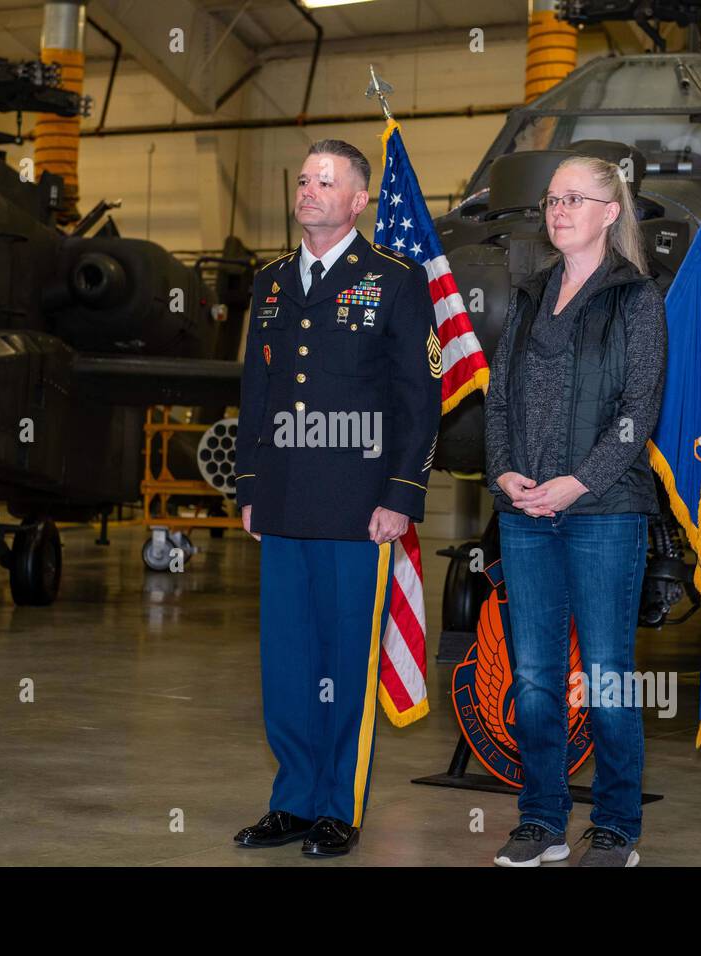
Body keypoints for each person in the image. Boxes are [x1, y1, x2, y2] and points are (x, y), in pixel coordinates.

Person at [231, 139, 442, 857]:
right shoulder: (270, 280)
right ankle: (292, 801)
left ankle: (336, 807)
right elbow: (257, 390)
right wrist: (250, 486)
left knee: (346, 659)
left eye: (326, 182)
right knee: (287, 661)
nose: (308, 191)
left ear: (358, 201)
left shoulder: (394, 279)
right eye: (303, 180)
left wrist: (402, 495)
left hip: (359, 507)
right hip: (283, 500)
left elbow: (419, 398)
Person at [484, 155, 667, 867]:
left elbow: (638, 411)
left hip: (605, 513)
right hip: (524, 510)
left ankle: (617, 826)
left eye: (574, 199)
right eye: (552, 200)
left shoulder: (637, 299)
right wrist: (504, 471)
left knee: (607, 672)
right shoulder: (530, 295)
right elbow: (499, 400)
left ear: (610, 212)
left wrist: (577, 483)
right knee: (533, 676)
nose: (557, 210)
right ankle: (541, 821)